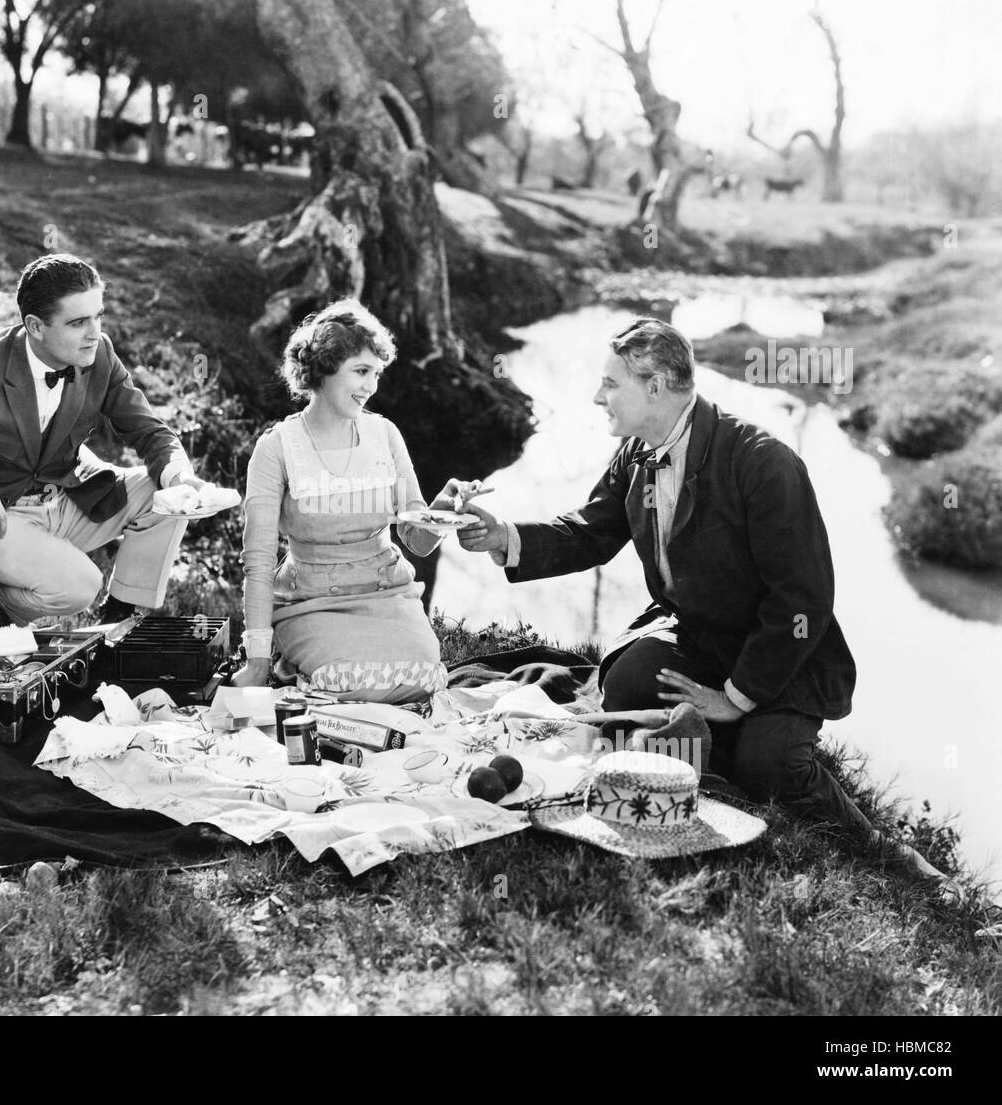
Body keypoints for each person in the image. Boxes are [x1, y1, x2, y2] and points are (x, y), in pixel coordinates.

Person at [456, 317, 947, 881]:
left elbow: (802, 599)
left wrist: (735, 698)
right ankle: (718, 735)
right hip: (694, 636)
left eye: (610, 384)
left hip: (778, 653)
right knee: (628, 682)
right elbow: (590, 531)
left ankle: (898, 859)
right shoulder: (638, 451)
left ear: (656, 387)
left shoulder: (764, 462)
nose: (598, 397)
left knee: (771, 768)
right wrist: (505, 537)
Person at [0, 253, 206, 625]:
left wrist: (179, 474)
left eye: (98, 316)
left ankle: (119, 615)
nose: (94, 332)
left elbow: (149, 430)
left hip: (68, 498)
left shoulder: (99, 352)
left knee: (173, 500)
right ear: (35, 326)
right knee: (80, 585)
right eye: (78, 322)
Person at [233, 300, 454, 703]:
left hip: (386, 593)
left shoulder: (385, 435)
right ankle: (290, 664)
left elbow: (416, 540)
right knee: (346, 683)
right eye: (361, 371)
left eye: (377, 373)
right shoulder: (277, 448)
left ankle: (302, 672)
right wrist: (257, 663)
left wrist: (444, 510)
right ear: (324, 368)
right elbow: (259, 561)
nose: (371, 386)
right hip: (311, 600)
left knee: (425, 678)